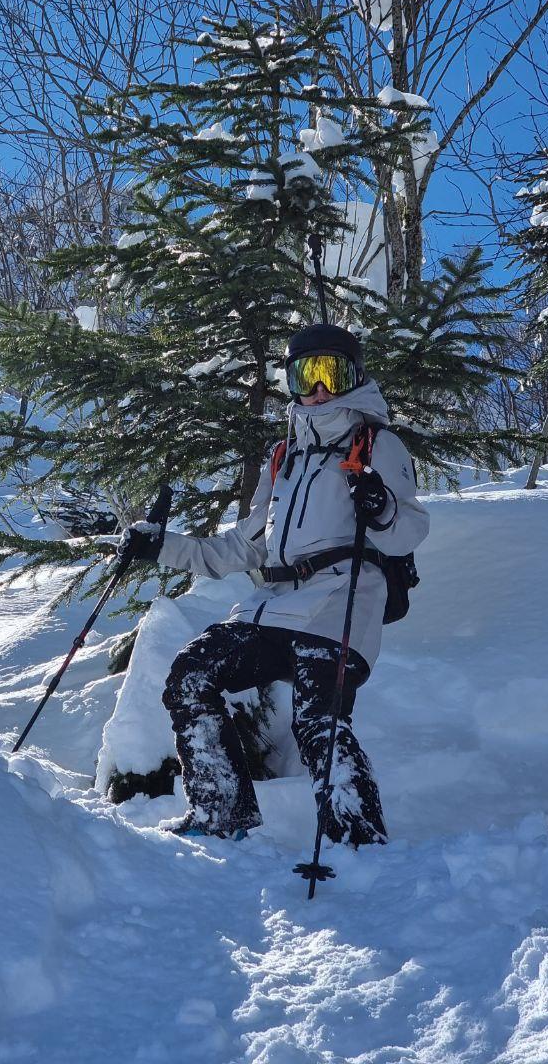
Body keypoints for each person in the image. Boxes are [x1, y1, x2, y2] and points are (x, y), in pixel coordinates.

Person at [119, 323, 429, 845]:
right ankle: (221, 814)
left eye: (333, 373)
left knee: (317, 720)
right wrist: (160, 545)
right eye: (307, 375)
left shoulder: (377, 443)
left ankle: (358, 838)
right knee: (191, 676)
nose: (320, 389)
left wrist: (380, 506)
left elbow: (409, 531)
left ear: (355, 377)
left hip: (339, 606)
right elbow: (241, 548)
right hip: (272, 607)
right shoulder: (282, 458)